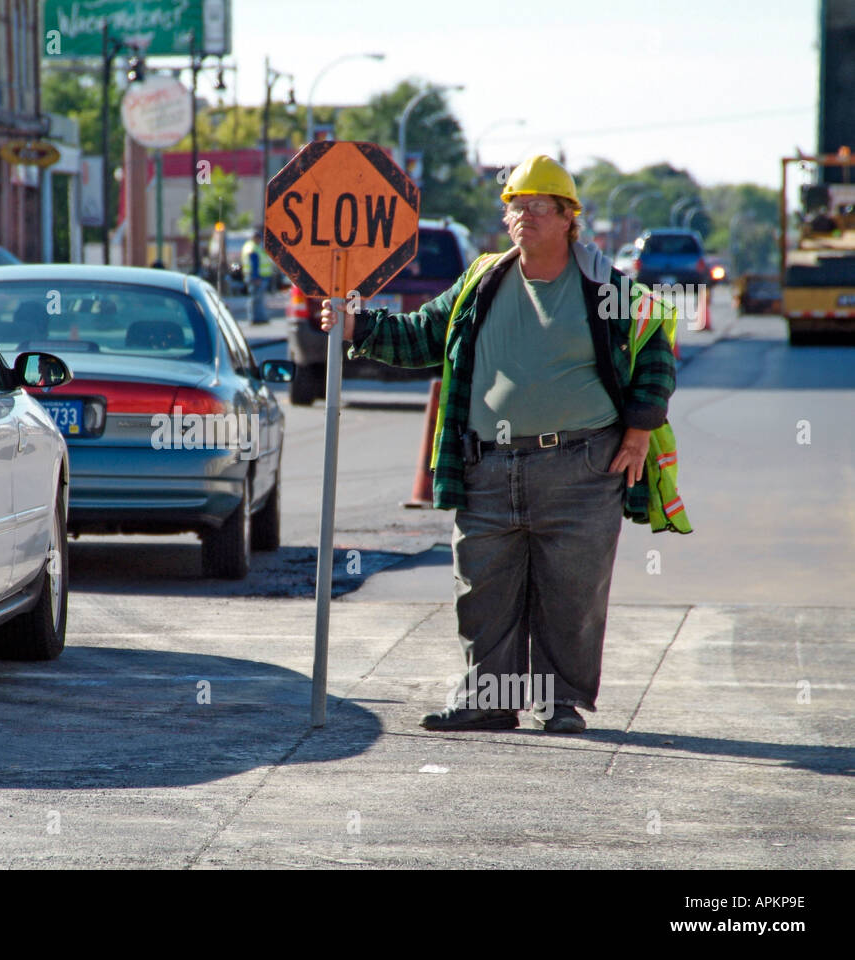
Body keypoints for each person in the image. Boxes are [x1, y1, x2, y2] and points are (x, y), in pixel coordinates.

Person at [320, 155, 676, 733]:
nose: (523, 216)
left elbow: (655, 353)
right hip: (487, 466)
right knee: (481, 590)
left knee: (571, 594)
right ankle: (488, 699)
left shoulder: (606, 288)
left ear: (568, 219)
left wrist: (638, 431)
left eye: (539, 206)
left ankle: (558, 704)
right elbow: (420, 335)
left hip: (582, 467)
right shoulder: (482, 280)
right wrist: (357, 323)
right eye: (515, 205)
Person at [241, 228, 272, 324]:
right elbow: (254, 263)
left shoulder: (254, 246)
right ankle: (255, 318)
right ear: (254, 238)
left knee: (258, 298)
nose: (260, 240)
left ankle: (259, 318)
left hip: (257, 277)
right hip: (255, 277)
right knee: (255, 298)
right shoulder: (252, 247)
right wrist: (256, 277)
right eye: (258, 238)